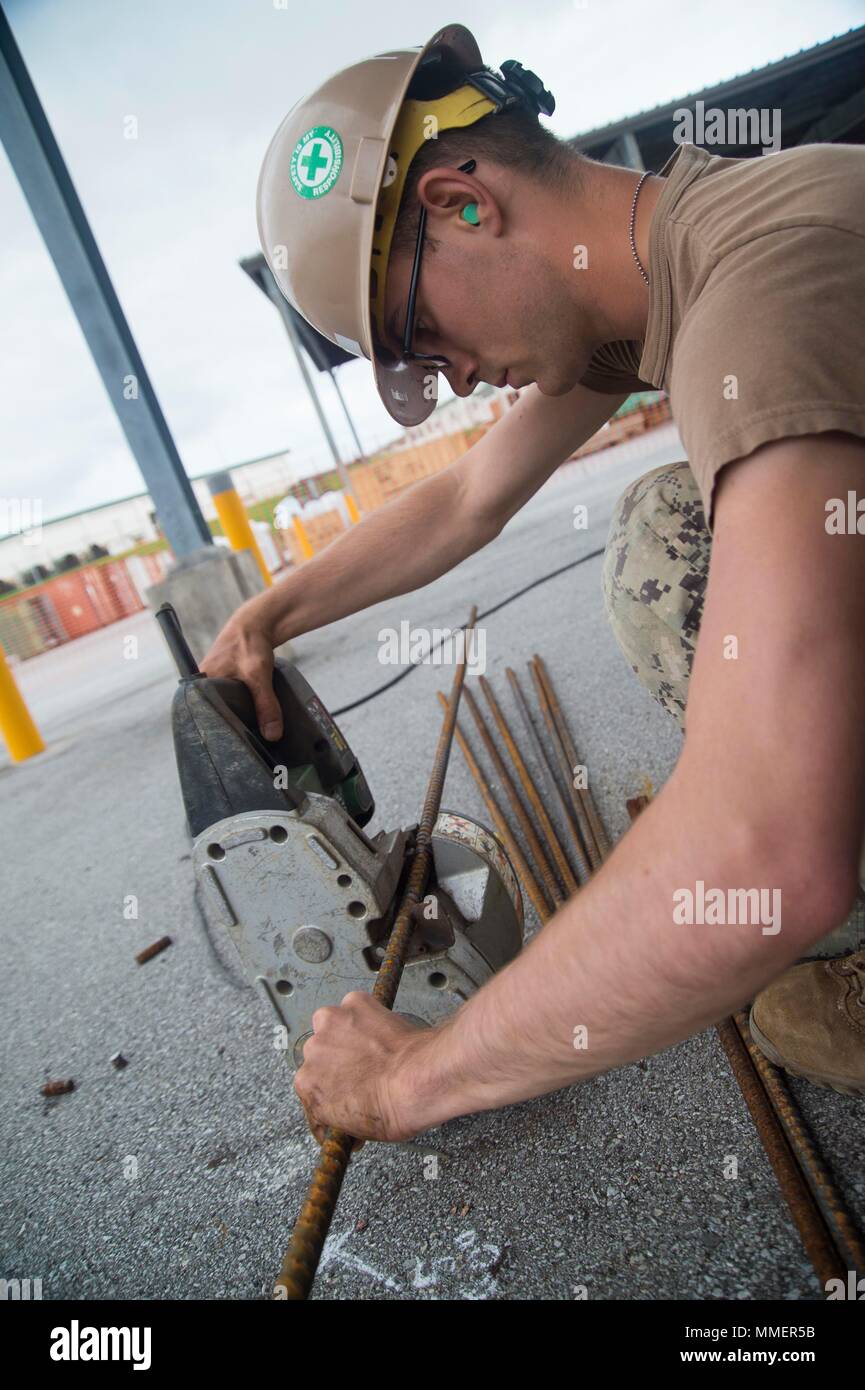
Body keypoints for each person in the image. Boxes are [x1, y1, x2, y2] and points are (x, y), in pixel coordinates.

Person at [202, 24, 865, 1141]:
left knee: (671, 557)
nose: (446, 377)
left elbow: (766, 855)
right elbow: (468, 497)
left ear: (466, 202)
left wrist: (418, 1074)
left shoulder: (763, 296)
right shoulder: (677, 266)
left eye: (417, 336)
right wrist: (269, 613)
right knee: (675, 521)